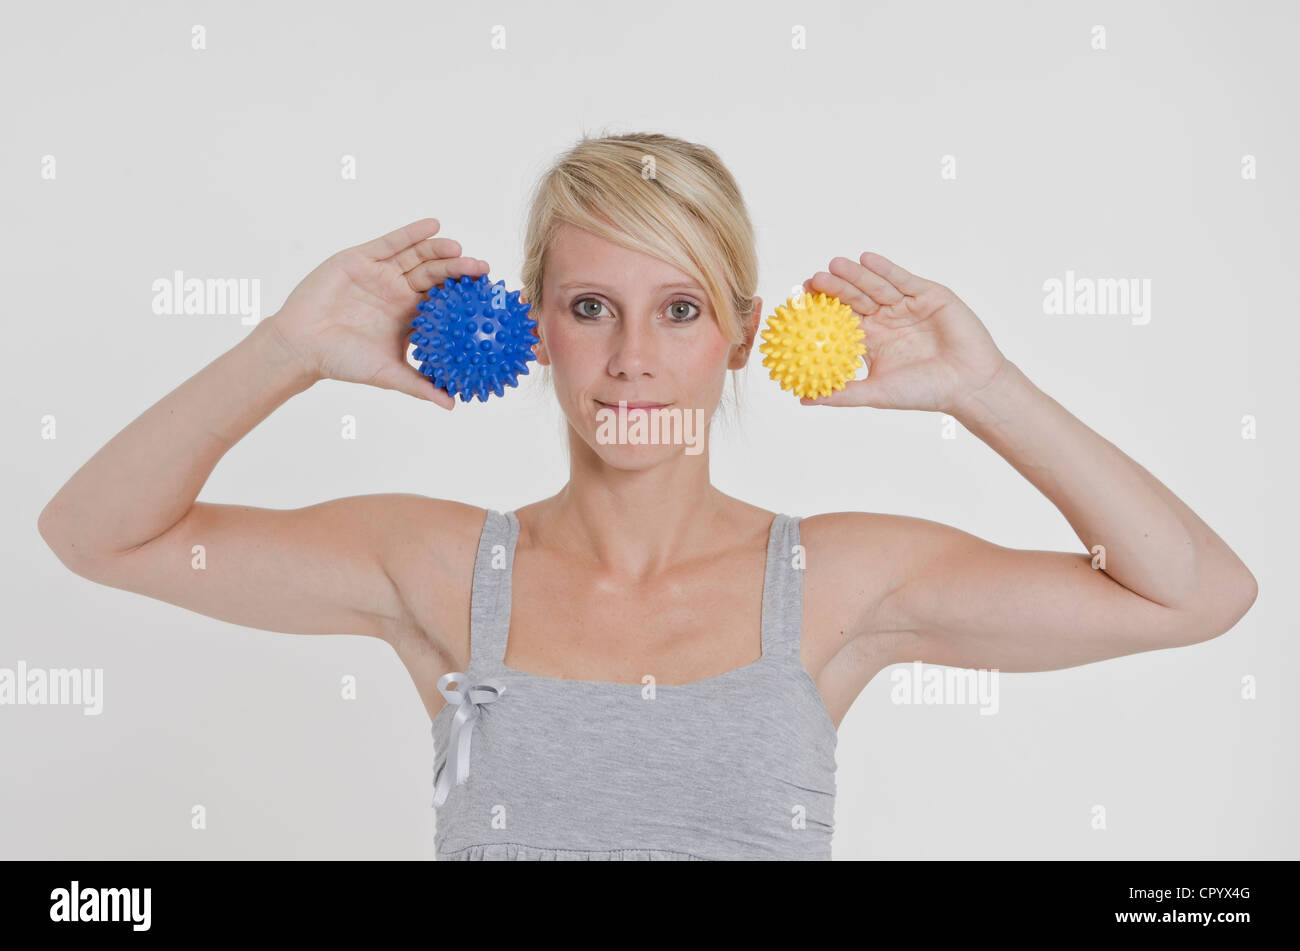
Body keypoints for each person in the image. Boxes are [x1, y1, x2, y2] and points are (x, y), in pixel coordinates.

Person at [37, 132, 1258, 860]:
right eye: (589, 308)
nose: (631, 357)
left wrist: (987, 389)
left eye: (678, 310)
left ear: (739, 336)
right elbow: (97, 533)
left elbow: (1196, 593)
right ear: (529, 332)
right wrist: (284, 349)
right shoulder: (440, 569)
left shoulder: (837, 582)